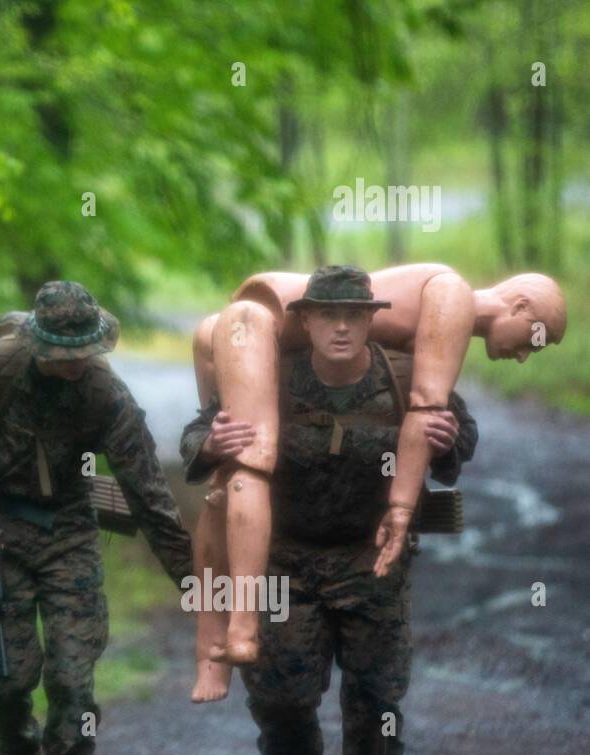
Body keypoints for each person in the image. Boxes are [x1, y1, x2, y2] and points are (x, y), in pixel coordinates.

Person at [189, 263, 563, 696]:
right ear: (519, 305)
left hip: (241, 323)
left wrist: (440, 453)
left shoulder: (411, 328)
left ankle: (216, 653)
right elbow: (426, 405)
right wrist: (401, 508)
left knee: (228, 478)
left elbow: (436, 419)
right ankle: (235, 629)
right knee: (248, 459)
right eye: (537, 336)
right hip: (257, 319)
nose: (525, 353)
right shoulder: (453, 295)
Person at [181, 265, 478, 755]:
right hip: (284, 563)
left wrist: (448, 444)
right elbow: (199, 431)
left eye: (353, 316)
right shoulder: (270, 375)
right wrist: (209, 445)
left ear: (370, 322)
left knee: (376, 701)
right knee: (279, 700)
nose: (341, 327)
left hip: (372, 563)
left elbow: (458, 441)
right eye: (327, 316)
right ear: (307, 323)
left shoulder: (403, 374)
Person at [0, 280, 193, 755]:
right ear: (35, 343)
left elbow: (149, 496)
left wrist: (197, 585)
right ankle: (21, 752)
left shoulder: (107, 395)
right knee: (3, 682)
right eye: (62, 354)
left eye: (84, 352)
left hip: (69, 532)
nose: (75, 363)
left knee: (72, 679)